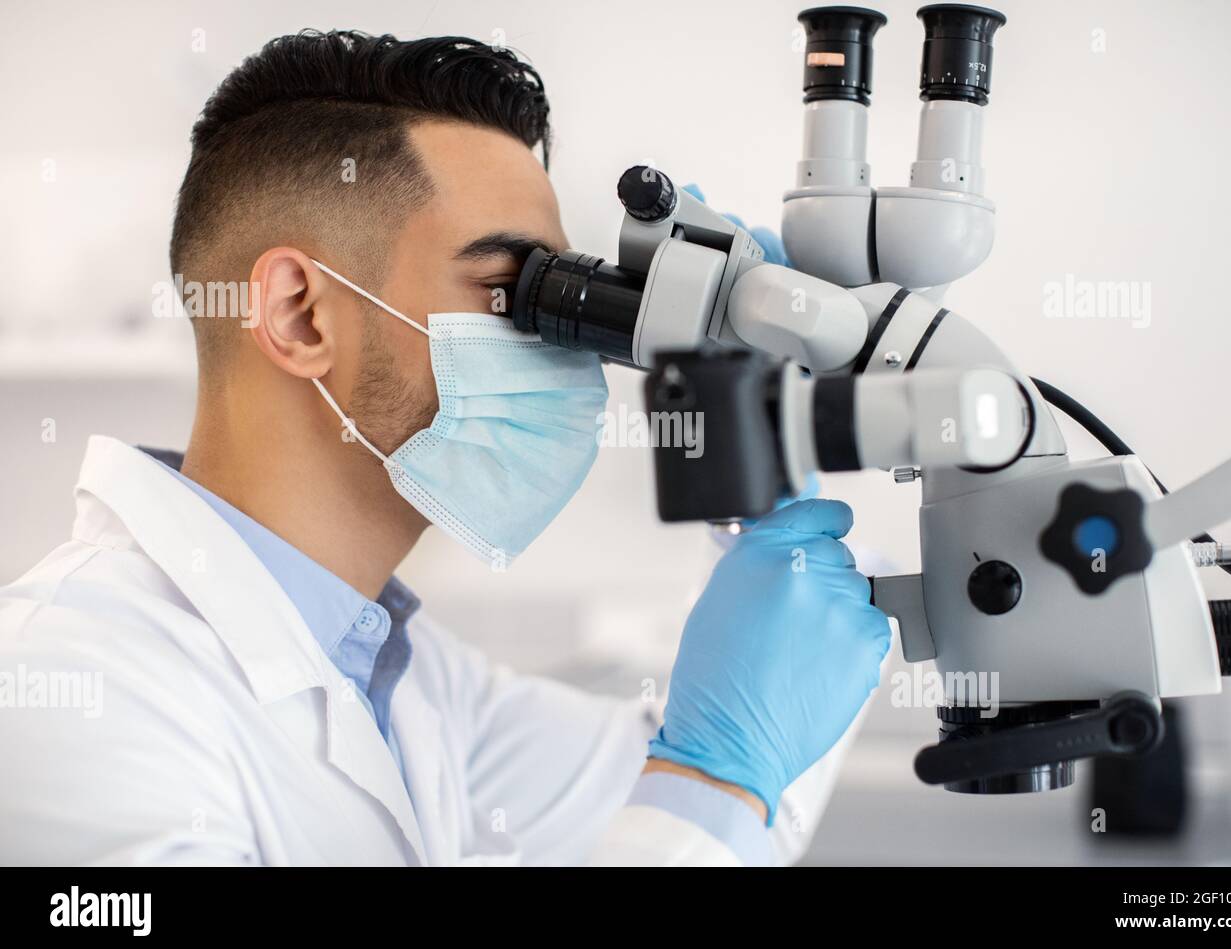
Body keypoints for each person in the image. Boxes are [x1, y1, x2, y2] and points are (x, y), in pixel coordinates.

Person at [0, 31, 891, 866]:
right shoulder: (66, 688)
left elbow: (732, 809)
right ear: (299, 314)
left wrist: (759, 452)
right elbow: (702, 796)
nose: (570, 354)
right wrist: (712, 775)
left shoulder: (411, 685)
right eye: (512, 292)